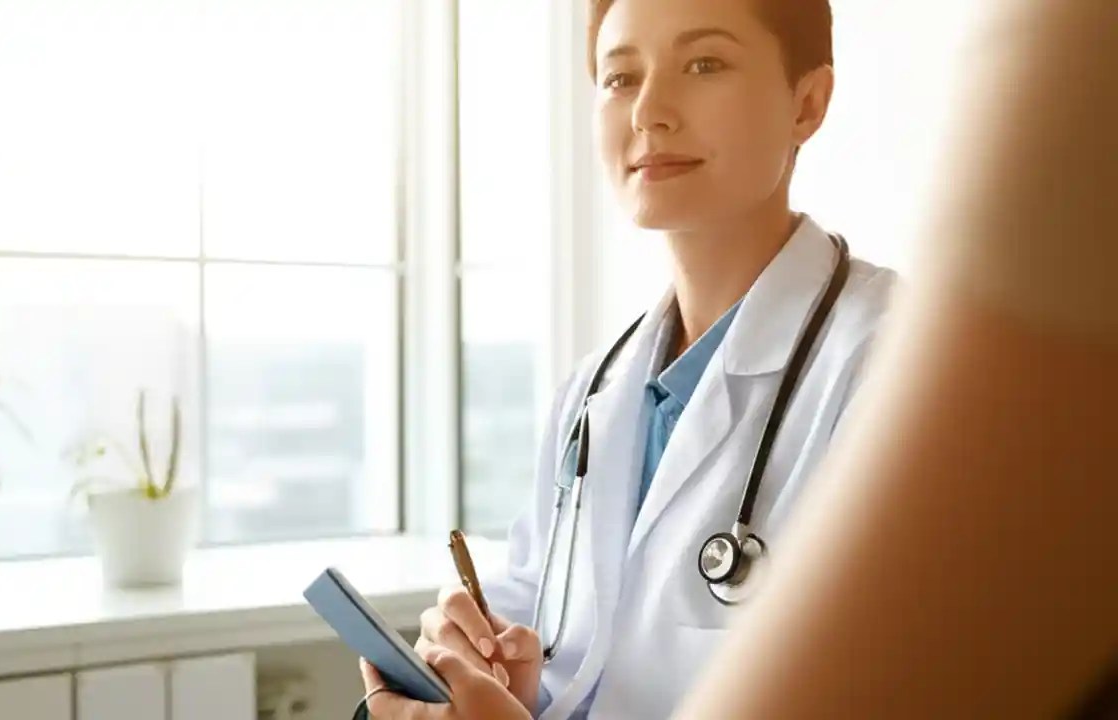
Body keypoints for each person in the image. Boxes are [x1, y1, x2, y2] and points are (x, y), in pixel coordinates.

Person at [363, 0, 1118, 717]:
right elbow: (546, 627)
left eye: (703, 65)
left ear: (807, 104)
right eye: (620, 77)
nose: (649, 112)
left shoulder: (893, 364)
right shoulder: (591, 393)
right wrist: (490, 671)